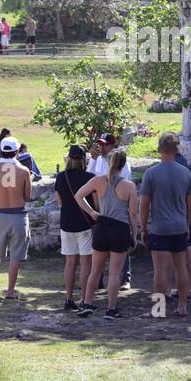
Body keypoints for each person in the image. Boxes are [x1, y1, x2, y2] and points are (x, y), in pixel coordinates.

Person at [74, 149, 139, 320]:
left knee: (95, 270)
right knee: (115, 273)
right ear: (123, 165)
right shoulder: (129, 186)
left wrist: (93, 213)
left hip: (102, 226)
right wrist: (135, 235)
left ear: (109, 163)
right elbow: (133, 214)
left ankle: (86, 303)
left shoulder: (98, 180)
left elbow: (78, 196)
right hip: (120, 228)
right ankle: (110, 309)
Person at [140, 132, 191, 317]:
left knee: (160, 269)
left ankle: (158, 309)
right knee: (181, 267)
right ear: (177, 149)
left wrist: (143, 227)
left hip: (160, 228)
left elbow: (144, 204)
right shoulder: (185, 172)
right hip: (180, 227)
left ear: (160, 149)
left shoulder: (151, 173)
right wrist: (187, 225)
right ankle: (182, 306)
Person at [0, 136, 32, 300]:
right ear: (17, 151)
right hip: (18, 215)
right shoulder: (24, 171)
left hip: (1, 215)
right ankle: (10, 291)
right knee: (15, 256)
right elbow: (27, 196)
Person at [157, 143, 191, 298]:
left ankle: (165, 294)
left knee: (168, 258)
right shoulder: (183, 162)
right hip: (183, 215)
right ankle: (185, 292)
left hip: (170, 215)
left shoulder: (170, 165)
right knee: (186, 252)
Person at [53, 145, 95, 310]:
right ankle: (85, 299)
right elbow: (96, 203)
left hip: (67, 222)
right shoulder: (90, 177)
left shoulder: (61, 177)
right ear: (84, 160)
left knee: (70, 263)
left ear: (69, 158)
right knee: (86, 263)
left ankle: (69, 298)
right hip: (84, 223)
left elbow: (60, 201)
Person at [87, 134, 132, 288]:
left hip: (116, 206)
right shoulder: (99, 160)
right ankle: (98, 279)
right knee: (99, 245)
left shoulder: (122, 163)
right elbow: (89, 178)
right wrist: (92, 159)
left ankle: (125, 278)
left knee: (121, 245)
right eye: (101, 144)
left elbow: (123, 181)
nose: (102, 148)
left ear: (113, 146)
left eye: (105, 145)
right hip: (100, 207)